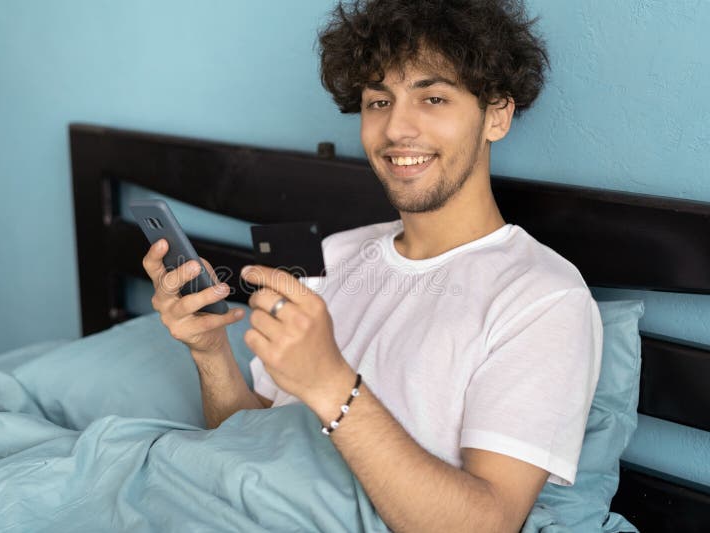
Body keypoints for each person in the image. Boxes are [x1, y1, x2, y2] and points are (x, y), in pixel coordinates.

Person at [142, 0, 602, 531]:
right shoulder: (337, 256)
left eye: (432, 97)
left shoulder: (542, 299)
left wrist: (333, 385)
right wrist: (210, 353)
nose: (397, 129)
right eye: (378, 101)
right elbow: (250, 444)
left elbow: (490, 521)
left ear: (495, 114)